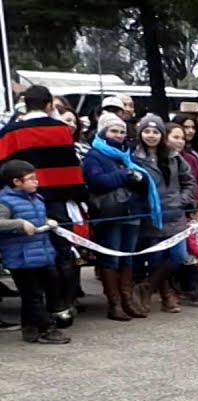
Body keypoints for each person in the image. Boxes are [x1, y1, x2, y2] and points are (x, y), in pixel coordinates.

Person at [0, 85, 88, 327]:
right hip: (58, 200)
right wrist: (79, 195)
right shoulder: (60, 129)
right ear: (49, 104)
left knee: (29, 254)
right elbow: (71, 167)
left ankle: (39, 313)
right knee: (61, 252)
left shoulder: (12, 131)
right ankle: (61, 307)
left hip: (22, 200)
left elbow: (3, 166)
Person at [82, 113, 153, 320]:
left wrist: (140, 180)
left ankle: (127, 299)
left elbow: (142, 181)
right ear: (103, 132)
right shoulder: (94, 155)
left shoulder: (127, 154)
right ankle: (114, 304)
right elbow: (97, 181)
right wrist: (125, 175)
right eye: (114, 131)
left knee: (128, 258)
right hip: (110, 214)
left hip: (132, 211)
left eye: (122, 131)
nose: (119, 135)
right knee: (111, 258)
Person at [0, 160, 69, 344]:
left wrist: (48, 221)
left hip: (42, 254)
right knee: (32, 294)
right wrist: (19, 224)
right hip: (21, 258)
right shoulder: (4, 201)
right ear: (16, 182)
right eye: (31, 179)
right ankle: (47, 328)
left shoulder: (37, 198)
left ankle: (29, 327)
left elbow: (36, 218)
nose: (36, 182)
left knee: (37, 293)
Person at [132, 117, 195, 314]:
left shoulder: (174, 157)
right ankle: (166, 295)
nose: (151, 136)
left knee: (179, 256)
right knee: (156, 259)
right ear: (141, 133)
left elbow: (188, 181)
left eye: (156, 132)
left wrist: (182, 199)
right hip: (152, 217)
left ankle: (147, 287)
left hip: (176, 215)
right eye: (147, 132)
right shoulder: (134, 157)